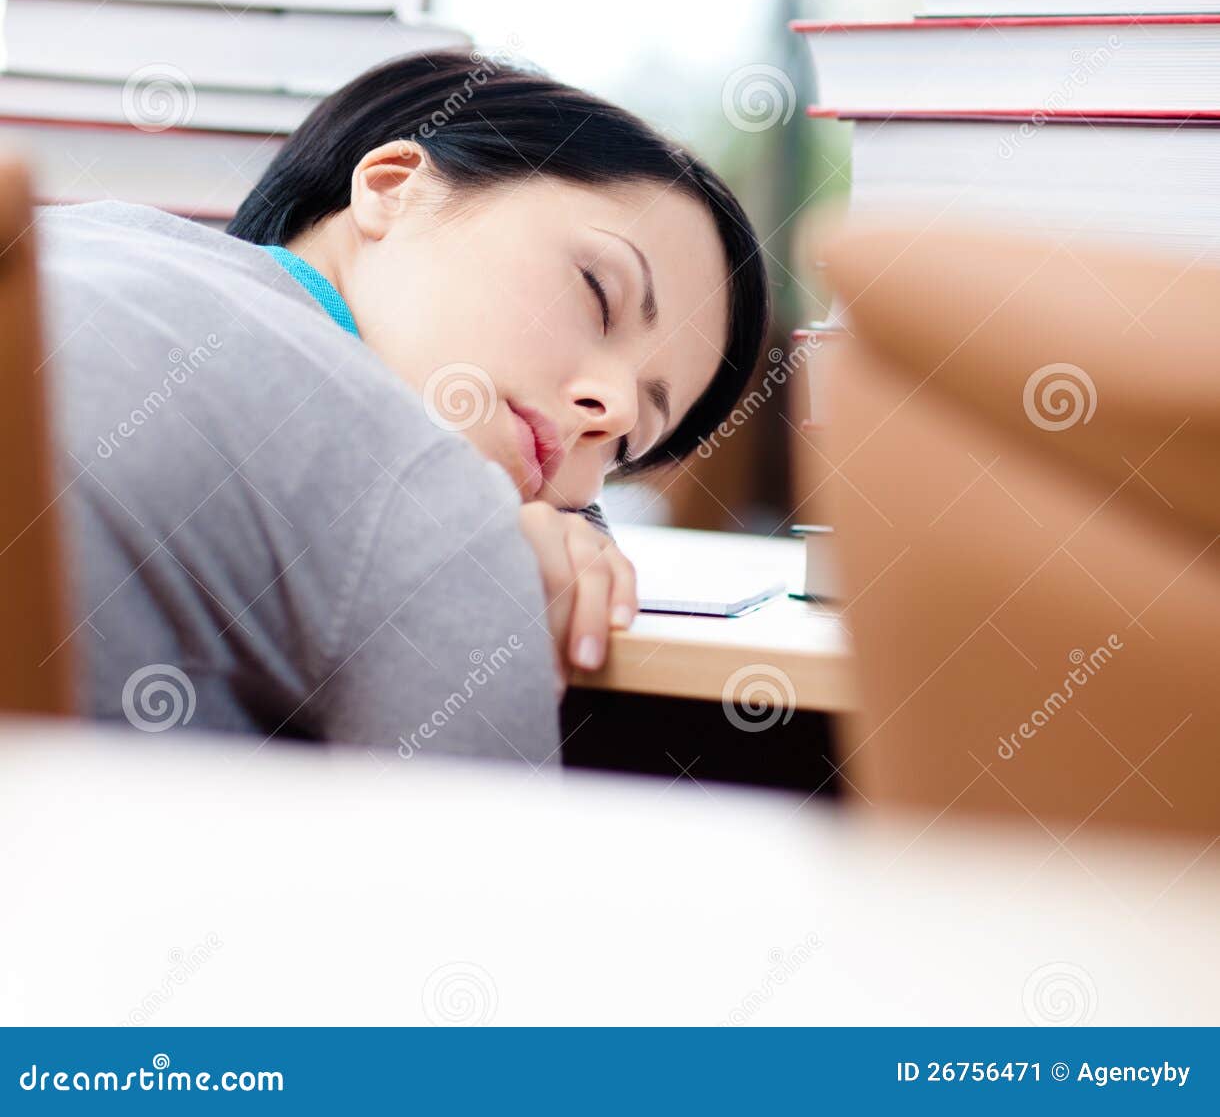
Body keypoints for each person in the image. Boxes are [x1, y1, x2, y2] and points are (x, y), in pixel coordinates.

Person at [37, 47, 769, 763]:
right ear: (394, 187)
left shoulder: (75, 243)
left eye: (627, 445)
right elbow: (458, 873)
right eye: (598, 292)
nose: (605, 408)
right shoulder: (430, 504)